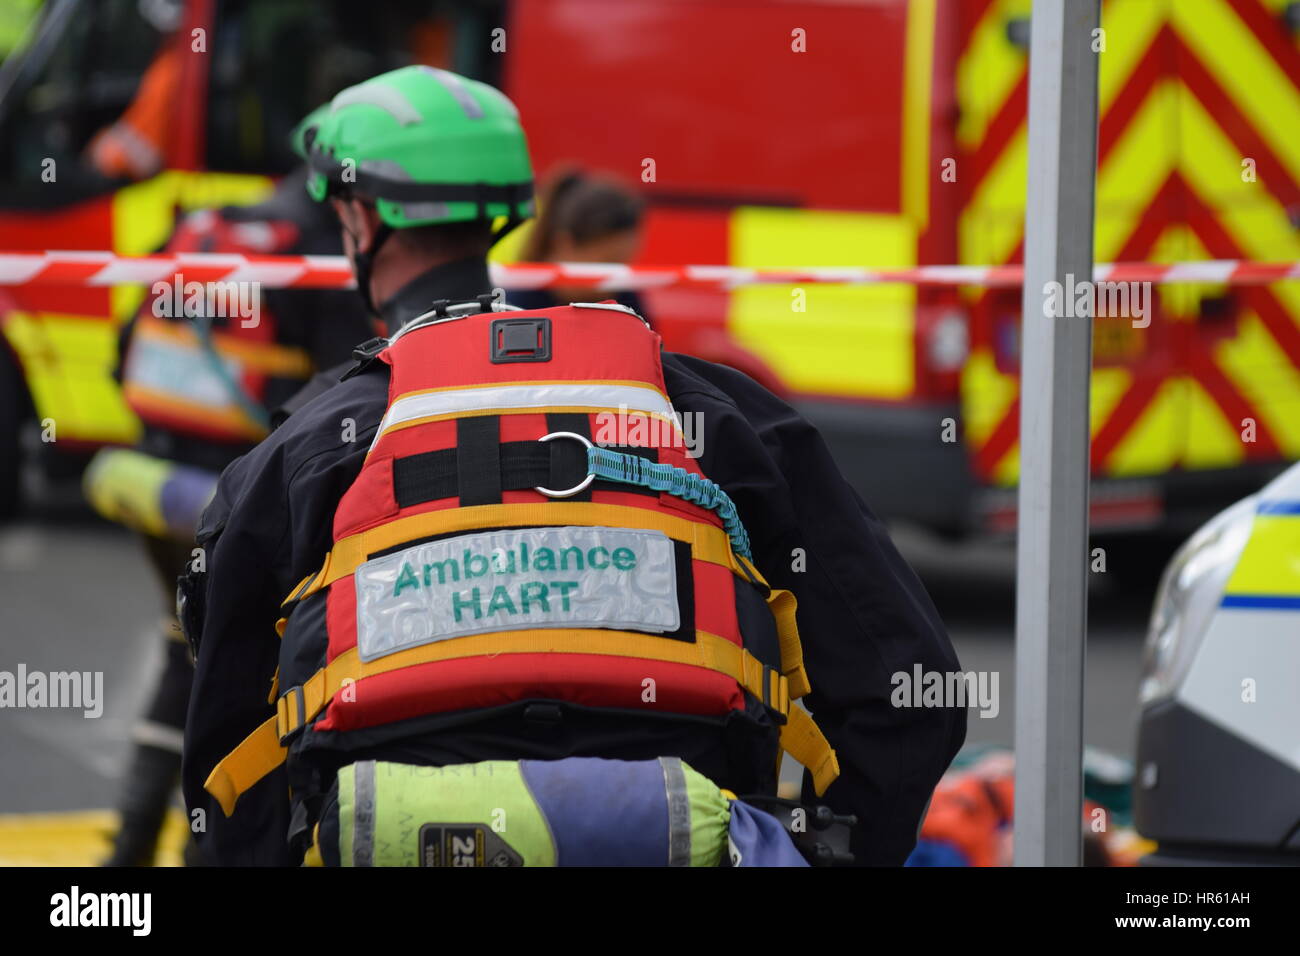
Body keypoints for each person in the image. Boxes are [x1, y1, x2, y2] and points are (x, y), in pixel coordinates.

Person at [181, 65, 966, 866]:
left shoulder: (313, 445)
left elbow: (226, 765)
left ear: (358, 217)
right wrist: (816, 848)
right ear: (510, 211)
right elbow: (912, 694)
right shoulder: (717, 418)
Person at [88, 158, 372, 866]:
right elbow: (346, 394)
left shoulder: (206, 227)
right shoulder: (314, 250)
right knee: (239, 676)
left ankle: (129, 852)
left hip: (144, 479)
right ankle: (199, 849)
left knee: (183, 652)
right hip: (228, 498)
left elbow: (122, 354)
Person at [509, 168, 649, 320]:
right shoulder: (515, 307)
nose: (617, 277)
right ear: (564, 244)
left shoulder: (628, 303)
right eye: (608, 262)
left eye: (624, 263)